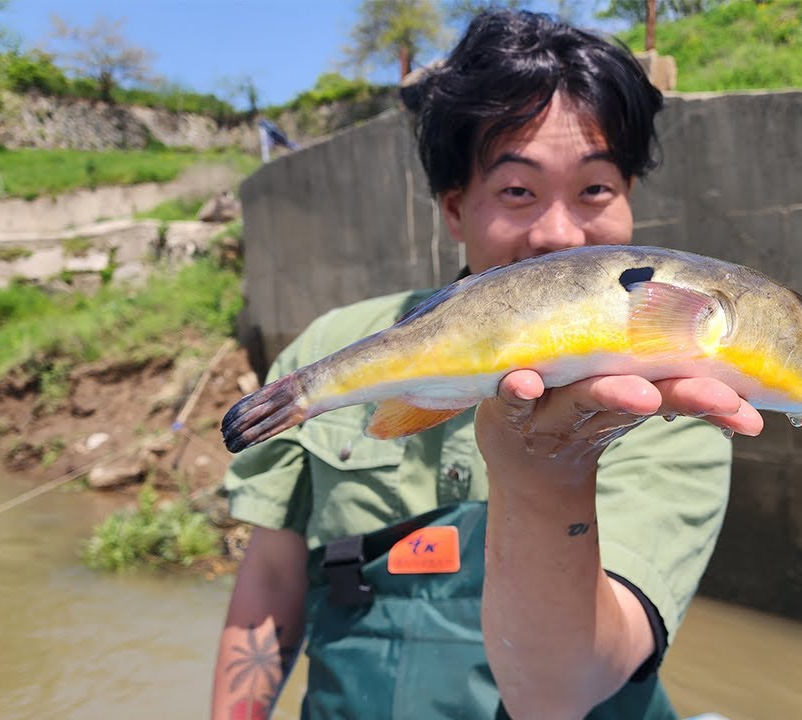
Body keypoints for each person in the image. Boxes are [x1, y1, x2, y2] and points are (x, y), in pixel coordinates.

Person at [211, 10, 764, 720]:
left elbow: (561, 692)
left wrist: (547, 471)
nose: (561, 233)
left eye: (596, 189)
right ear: (453, 208)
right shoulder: (332, 348)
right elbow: (269, 582)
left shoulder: (674, 395)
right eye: (516, 191)